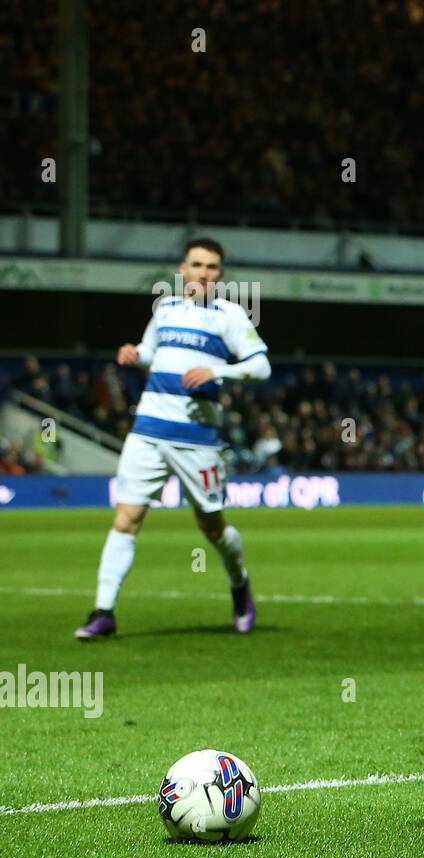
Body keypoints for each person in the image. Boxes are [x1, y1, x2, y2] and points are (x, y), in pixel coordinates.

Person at [75, 239, 271, 640]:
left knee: (212, 527)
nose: (203, 273)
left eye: (212, 267)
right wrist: (134, 354)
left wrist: (220, 373)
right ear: (182, 269)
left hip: (197, 439)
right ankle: (103, 612)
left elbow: (262, 366)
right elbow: (151, 351)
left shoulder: (229, 315)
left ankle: (240, 585)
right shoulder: (164, 309)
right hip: (147, 431)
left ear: (220, 275)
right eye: (197, 264)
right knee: (126, 520)